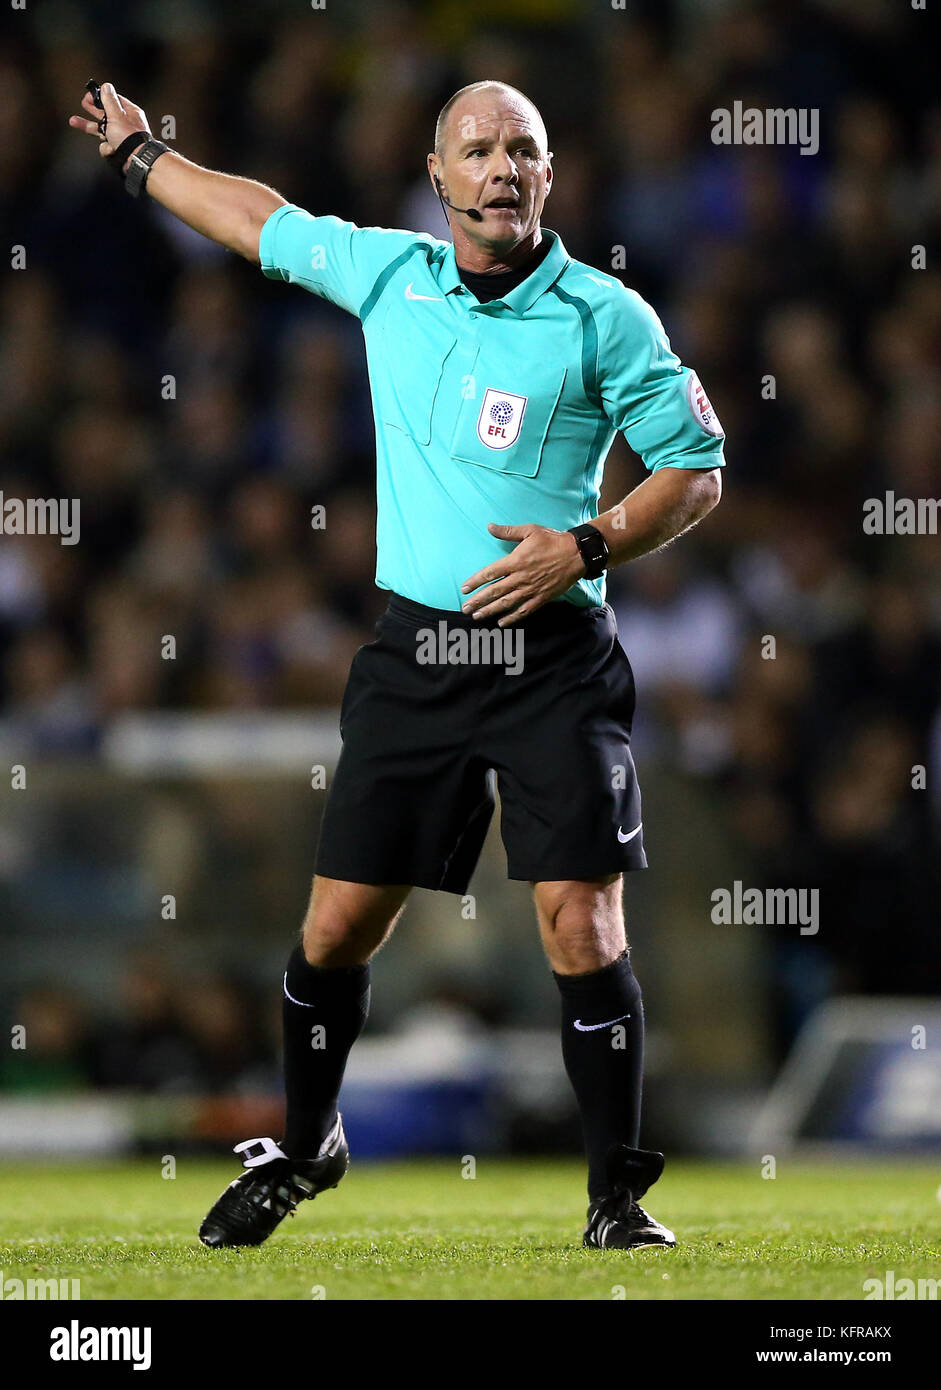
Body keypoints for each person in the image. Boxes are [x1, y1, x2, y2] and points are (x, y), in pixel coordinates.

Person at [70, 77, 725, 1250]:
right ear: (437, 177)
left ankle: (616, 1196)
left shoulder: (606, 316)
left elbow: (694, 469)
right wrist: (141, 159)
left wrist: (584, 542)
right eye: (476, 149)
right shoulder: (388, 274)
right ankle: (308, 1141)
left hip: (555, 656)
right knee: (335, 932)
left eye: (522, 147)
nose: (501, 167)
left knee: (582, 921)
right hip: (416, 654)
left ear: (550, 174)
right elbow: (253, 220)